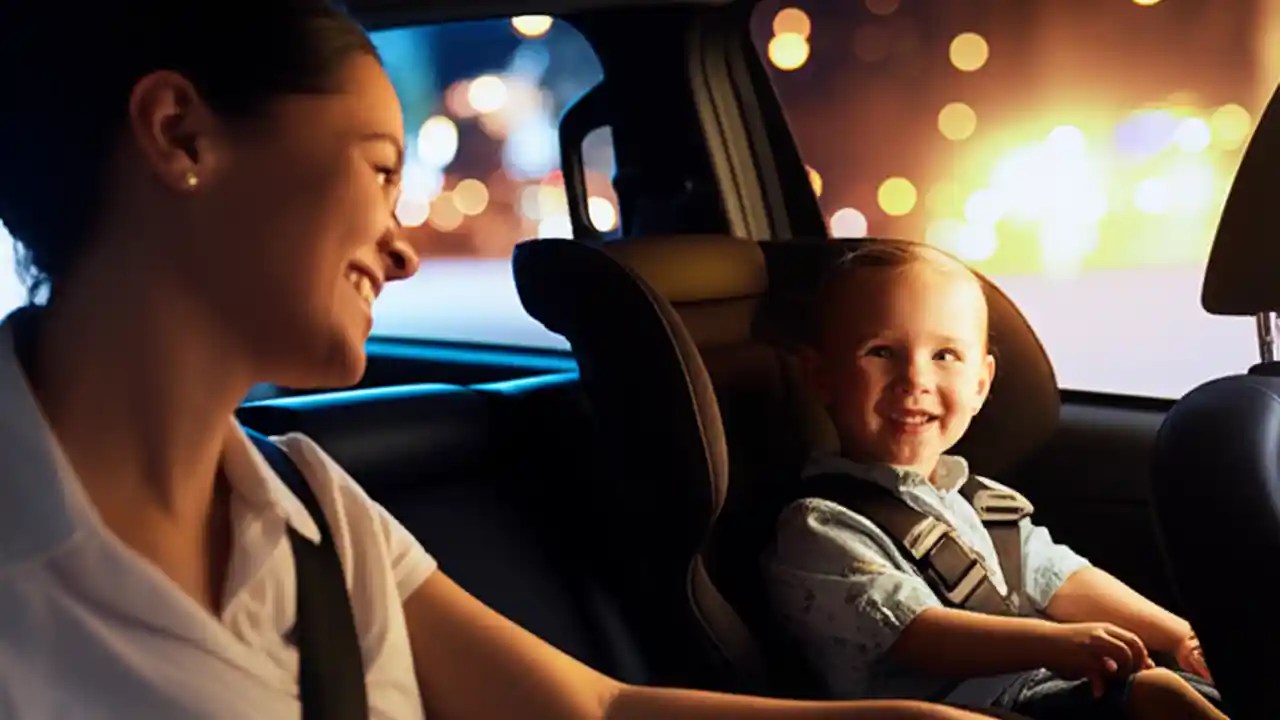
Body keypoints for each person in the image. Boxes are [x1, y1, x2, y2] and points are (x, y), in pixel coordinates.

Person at [0, 3, 1007, 718]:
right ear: (181, 134)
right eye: (379, 169)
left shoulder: (306, 504)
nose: (400, 247)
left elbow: (596, 708)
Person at [763, 240, 1224, 719]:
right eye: (880, 351)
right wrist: (1057, 643)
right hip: (959, 709)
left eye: (945, 355)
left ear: (980, 384)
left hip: (1038, 688)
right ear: (821, 377)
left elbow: (1059, 577)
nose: (914, 378)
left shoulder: (979, 502)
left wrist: (1180, 635)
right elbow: (920, 635)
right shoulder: (819, 526)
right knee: (1156, 695)